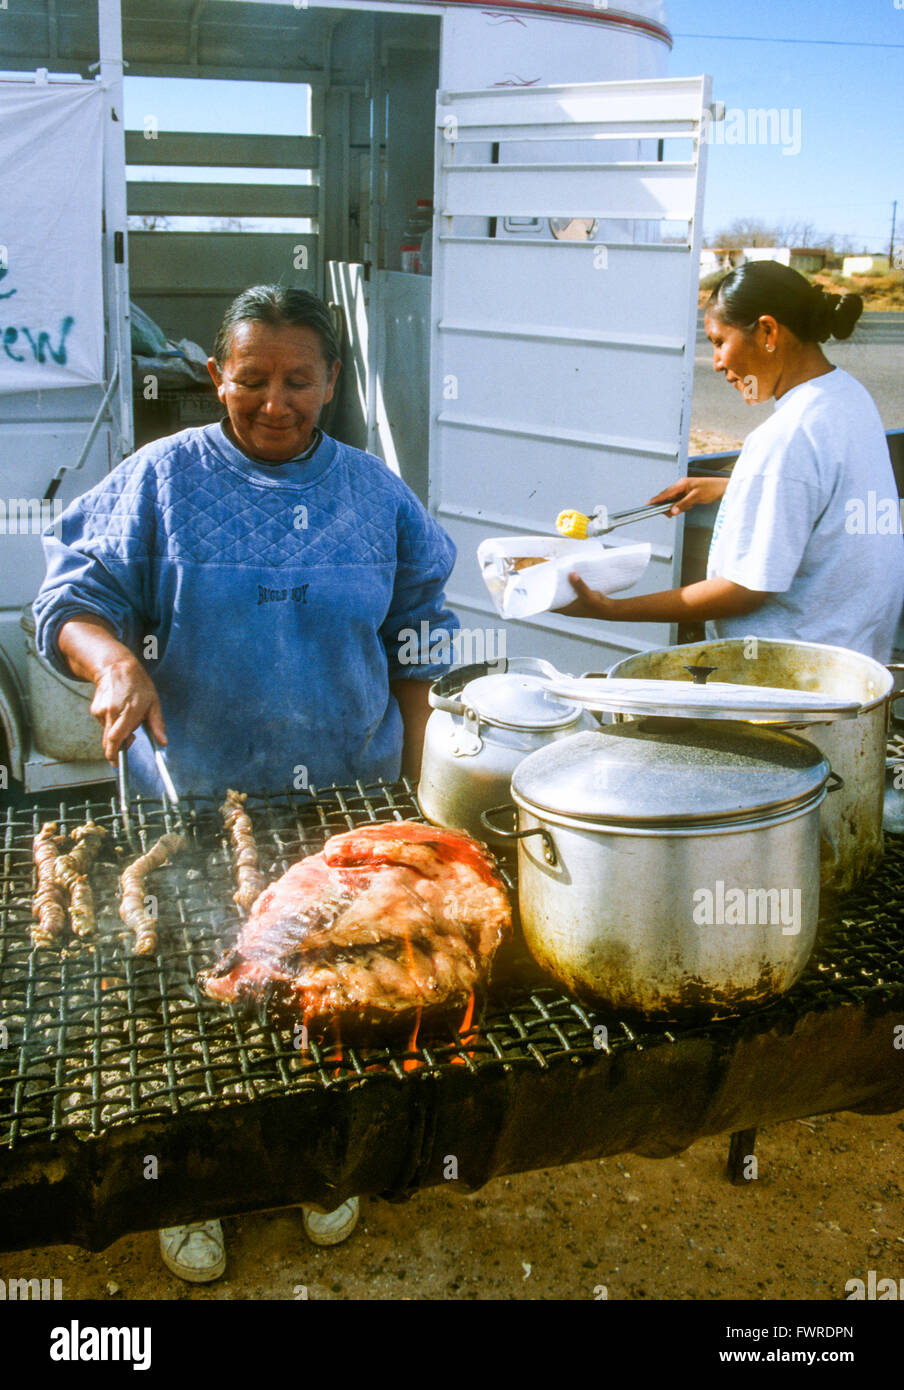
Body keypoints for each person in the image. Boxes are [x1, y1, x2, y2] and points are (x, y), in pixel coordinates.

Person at [33, 284, 459, 1281]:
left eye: (298, 380)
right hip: (193, 802)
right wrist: (114, 663)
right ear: (216, 375)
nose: (274, 401)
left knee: (331, 983)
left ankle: (324, 1161)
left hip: (342, 799)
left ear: (332, 382)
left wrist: (417, 769)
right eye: (252, 378)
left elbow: (420, 628)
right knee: (195, 997)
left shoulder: (374, 494)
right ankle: (196, 1185)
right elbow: (67, 599)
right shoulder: (162, 480)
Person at [562, 260, 904, 663]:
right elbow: (826, 492)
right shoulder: (845, 396)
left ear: (768, 331)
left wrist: (611, 609)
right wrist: (735, 486)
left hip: (792, 683)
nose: (718, 363)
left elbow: (744, 591)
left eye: (719, 341)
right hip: (853, 660)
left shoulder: (784, 436)